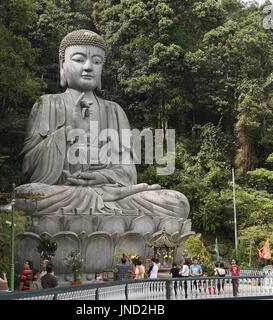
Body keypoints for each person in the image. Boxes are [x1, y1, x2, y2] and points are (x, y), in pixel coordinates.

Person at [15, 29, 190, 219]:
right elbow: (30, 167)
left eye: (97, 62)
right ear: (62, 64)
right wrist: (67, 130)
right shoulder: (47, 104)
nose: (89, 67)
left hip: (112, 194)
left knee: (177, 202)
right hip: (64, 192)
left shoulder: (114, 110)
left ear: (101, 69)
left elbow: (128, 171)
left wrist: (103, 177)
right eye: (79, 59)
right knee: (26, 197)